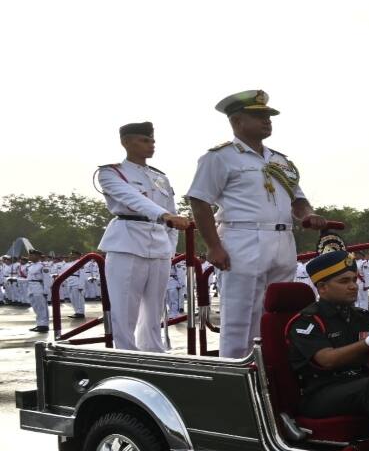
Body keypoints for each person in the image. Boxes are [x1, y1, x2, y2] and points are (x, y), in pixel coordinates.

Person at [186, 91, 327, 358]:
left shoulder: (280, 160)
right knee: (241, 316)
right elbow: (199, 201)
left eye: (268, 116)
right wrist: (213, 246)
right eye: (259, 116)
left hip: (283, 239)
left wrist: (309, 214)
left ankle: (273, 372)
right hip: (243, 237)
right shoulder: (219, 157)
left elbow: (299, 201)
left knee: (278, 310)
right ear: (238, 121)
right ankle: (236, 377)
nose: (267, 121)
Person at [96, 122, 190, 351]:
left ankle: (154, 353)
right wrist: (164, 215)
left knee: (155, 309)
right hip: (127, 242)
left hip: (159, 243)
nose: (151, 145)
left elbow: (173, 215)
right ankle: (127, 356)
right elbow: (133, 199)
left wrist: (170, 248)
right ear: (126, 142)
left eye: (152, 141)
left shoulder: (160, 177)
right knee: (126, 308)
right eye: (144, 140)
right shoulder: (111, 172)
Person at [288, 249, 369, 436]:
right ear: (323, 287)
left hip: (356, 382)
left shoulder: (360, 316)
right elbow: (327, 359)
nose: (353, 286)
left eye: (353, 280)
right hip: (320, 392)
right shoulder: (307, 321)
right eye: (344, 281)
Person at [24, 250, 50, 332]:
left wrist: (46, 291)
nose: (30, 256)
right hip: (31, 287)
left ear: (38, 256)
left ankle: (44, 325)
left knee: (42, 307)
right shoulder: (30, 266)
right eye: (29, 255)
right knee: (36, 307)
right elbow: (29, 279)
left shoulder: (42, 266)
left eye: (32, 255)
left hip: (39, 287)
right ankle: (39, 324)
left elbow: (47, 279)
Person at [64, 250, 87, 319]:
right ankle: (77, 311)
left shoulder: (80, 263)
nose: (71, 256)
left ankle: (80, 312)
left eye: (73, 254)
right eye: (71, 254)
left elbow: (82, 275)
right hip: (70, 282)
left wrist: (81, 285)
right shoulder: (69, 263)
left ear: (78, 256)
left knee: (78, 298)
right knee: (73, 298)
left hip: (77, 282)